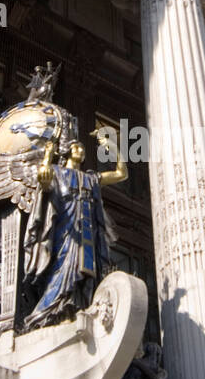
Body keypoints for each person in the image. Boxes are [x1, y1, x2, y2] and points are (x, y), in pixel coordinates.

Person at [22, 131, 127, 329]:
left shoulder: (91, 179)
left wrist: (112, 147)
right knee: (61, 271)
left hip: (88, 233)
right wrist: (46, 156)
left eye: (83, 149)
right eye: (77, 147)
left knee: (86, 274)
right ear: (67, 151)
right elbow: (44, 182)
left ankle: (77, 308)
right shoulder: (56, 172)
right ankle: (45, 313)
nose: (81, 151)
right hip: (65, 232)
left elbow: (121, 174)